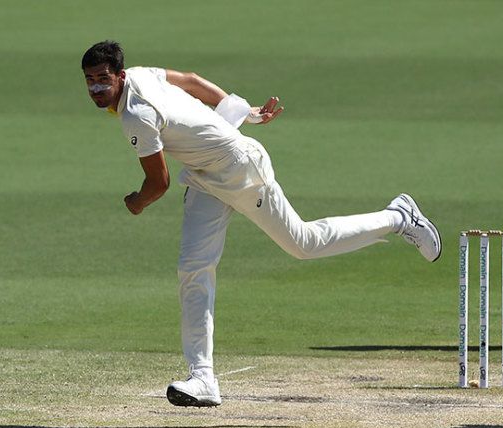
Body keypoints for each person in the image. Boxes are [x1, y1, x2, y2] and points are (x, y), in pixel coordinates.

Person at [81, 40, 441, 407]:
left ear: (120, 76)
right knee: (193, 268)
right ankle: (202, 377)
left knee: (303, 244)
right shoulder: (143, 75)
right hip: (205, 175)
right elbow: (190, 81)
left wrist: (136, 203)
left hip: (240, 170)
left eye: (103, 79)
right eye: (90, 80)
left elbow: (158, 184)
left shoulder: (135, 116)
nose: (96, 88)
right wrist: (241, 111)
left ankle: (398, 217)